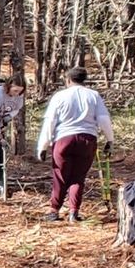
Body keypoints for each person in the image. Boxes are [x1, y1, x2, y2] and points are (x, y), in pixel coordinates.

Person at [35, 65, 115, 222]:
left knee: (60, 176)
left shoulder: (60, 96)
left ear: (68, 79)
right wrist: (110, 139)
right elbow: (104, 119)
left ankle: (54, 211)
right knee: (78, 177)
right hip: (87, 140)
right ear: (84, 80)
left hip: (63, 140)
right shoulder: (94, 96)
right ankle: (73, 212)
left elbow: (50, 122)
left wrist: (42, 146)